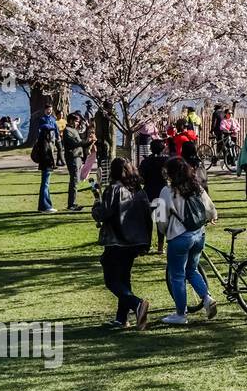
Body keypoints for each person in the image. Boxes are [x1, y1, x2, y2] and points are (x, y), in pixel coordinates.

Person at [92, 158, 153, 329]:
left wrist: (96, 203)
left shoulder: (114, 190)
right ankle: (121, 318)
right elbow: (148, 217)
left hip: (116, 241)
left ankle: (137, 304)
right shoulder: (138, 191)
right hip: (134, 241)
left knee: (112, 281)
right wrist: (146, 242)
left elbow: (102, 214)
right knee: (124, 279)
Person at [156, 156, 218, 326]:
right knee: (192, 270)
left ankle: (181, 314)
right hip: (199, 234)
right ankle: (206, 298)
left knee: (177, 275)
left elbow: (161, 220)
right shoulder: (196, 186)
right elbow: (209, 207)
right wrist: (212, 217)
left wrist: (163, 232)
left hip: (179, 237)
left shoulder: (166, 192)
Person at [30, 102, 62, 213]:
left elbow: (56, 132)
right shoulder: (42, 121)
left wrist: (57, 138)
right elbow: (43, 128)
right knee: (45, 183)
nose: (49, 110)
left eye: (50, 109)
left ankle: (45, 205)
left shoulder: (53, 120)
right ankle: (45, 206)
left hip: (47, 157)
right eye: (47, 109)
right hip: (46, 160)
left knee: (45, 183)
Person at [139, 140, 168, 252]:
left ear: (151, 149)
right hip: (161, 192)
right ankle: (160, 247)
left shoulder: (146, 162)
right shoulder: (166, 161)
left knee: (147, 221)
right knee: (160, 220)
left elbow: (141, 178)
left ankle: (146, 246)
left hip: (148, 192)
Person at [62, 112, 88, 212]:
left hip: (77, 157)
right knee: (74, 181)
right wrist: (88, 142)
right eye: (76, 121)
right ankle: (71, 204)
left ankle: (73, 203)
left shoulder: (74, 130)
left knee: (75, 181)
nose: (78, 123)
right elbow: (75, 144)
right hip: (72, 158)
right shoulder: (67, 131)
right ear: (71, 121)